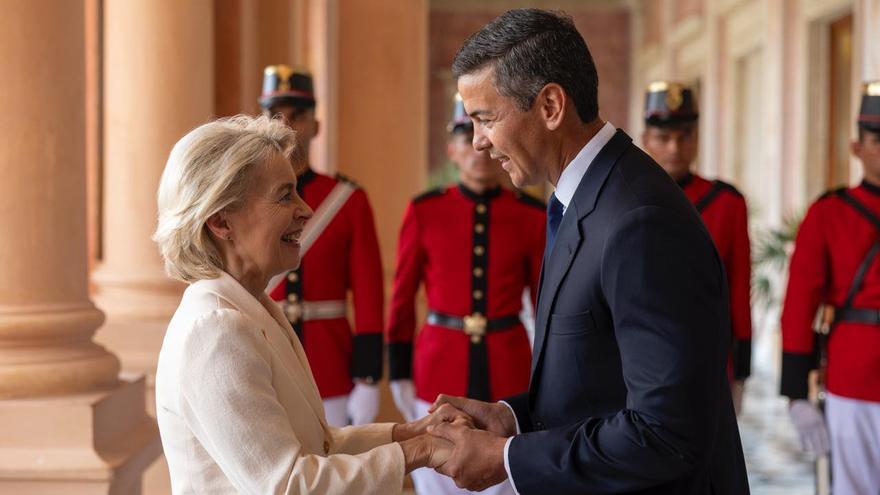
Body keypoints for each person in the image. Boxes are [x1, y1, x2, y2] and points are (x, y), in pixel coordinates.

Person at [426, 9, 749, 494]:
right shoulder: (583, 196)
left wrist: (507, 459)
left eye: (486, 119)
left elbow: (668, 435)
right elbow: (599, 384)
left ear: (551, 105)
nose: (478, 143)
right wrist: (511, 418)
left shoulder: (639, 220)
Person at [153, 115, 464, 493]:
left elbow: (319, 446)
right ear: (221, 222)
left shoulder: (251, 307)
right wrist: (422, 452)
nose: (306, 209)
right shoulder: (217, 329)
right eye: (285, 195)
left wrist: (411, 432)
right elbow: (290, 486)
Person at [386, 93, 545, 495]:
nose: (476, 145)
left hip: (508, 367)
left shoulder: (530, 214)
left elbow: (547, 305)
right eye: (464, 133)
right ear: (451, 150)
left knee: (506, 480)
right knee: (435, 481)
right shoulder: (425, 211)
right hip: (440, 362)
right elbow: (402, 296)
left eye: (485, 129)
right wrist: (399, 368)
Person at [260, 65, 385, 427]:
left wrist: (368, 376)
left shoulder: (348, 199)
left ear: (316, 125)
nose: (286, 126)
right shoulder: (246, 199)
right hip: (265, 355)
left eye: (298, 115)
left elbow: (368, 293)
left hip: (330, 364)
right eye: (274, 115)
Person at [780, 80, 880, 494]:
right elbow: (800, 303)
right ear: (857, 148)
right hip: (852, 380)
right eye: (878, 139)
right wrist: (795, 392)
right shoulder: (828, 213)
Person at [641, 81, 752, 413]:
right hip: (640, 357)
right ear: (646, 140)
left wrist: (741, 368)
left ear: (697, 139)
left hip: (709, 358)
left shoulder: (727, 202)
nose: (675, 147)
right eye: (664, 138)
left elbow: (738, 285)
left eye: (684, 136)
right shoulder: (626, 198)